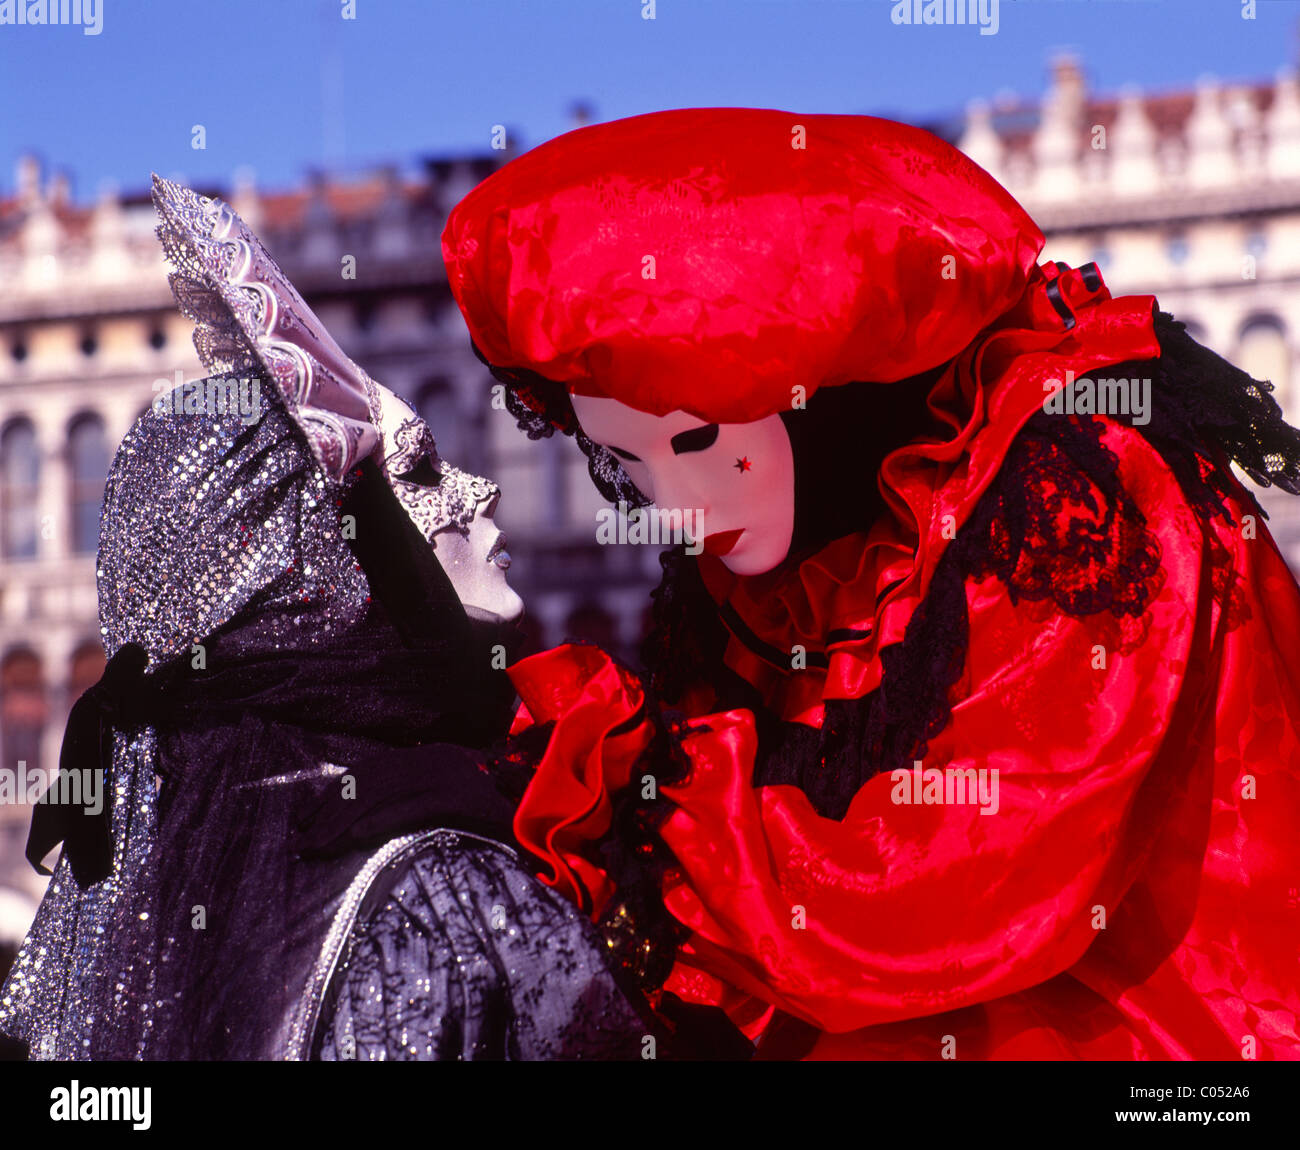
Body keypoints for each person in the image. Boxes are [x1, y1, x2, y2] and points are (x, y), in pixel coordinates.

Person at [441, 107, 1300, 1059]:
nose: (672, 509)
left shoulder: (1074, 494)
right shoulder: (779, 562)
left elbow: (972, 891)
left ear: (833, 381)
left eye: (696, 441)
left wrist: (622, 795)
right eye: (623, 461)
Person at [0, 177, 655, 1061]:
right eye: (416, 477)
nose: (481, 487)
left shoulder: (144, 896)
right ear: (319, 564)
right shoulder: (440, 886)